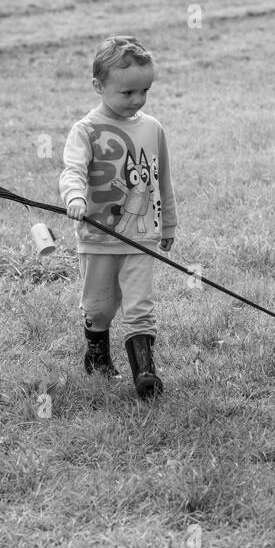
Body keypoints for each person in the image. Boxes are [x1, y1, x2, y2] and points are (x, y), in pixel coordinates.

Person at [60, 35, 176, 398]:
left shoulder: (152, 128)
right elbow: (72, 171)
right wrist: (75, 198)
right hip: (97, 238)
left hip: (141, 236)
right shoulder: (85, 131)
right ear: (98, 86)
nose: (138, 100)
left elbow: (163, 180)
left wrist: (168, 222)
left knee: (140, 304)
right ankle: (97, 356)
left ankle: (145, 371)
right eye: (127, 93)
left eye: (145, 90)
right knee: (99, 306)